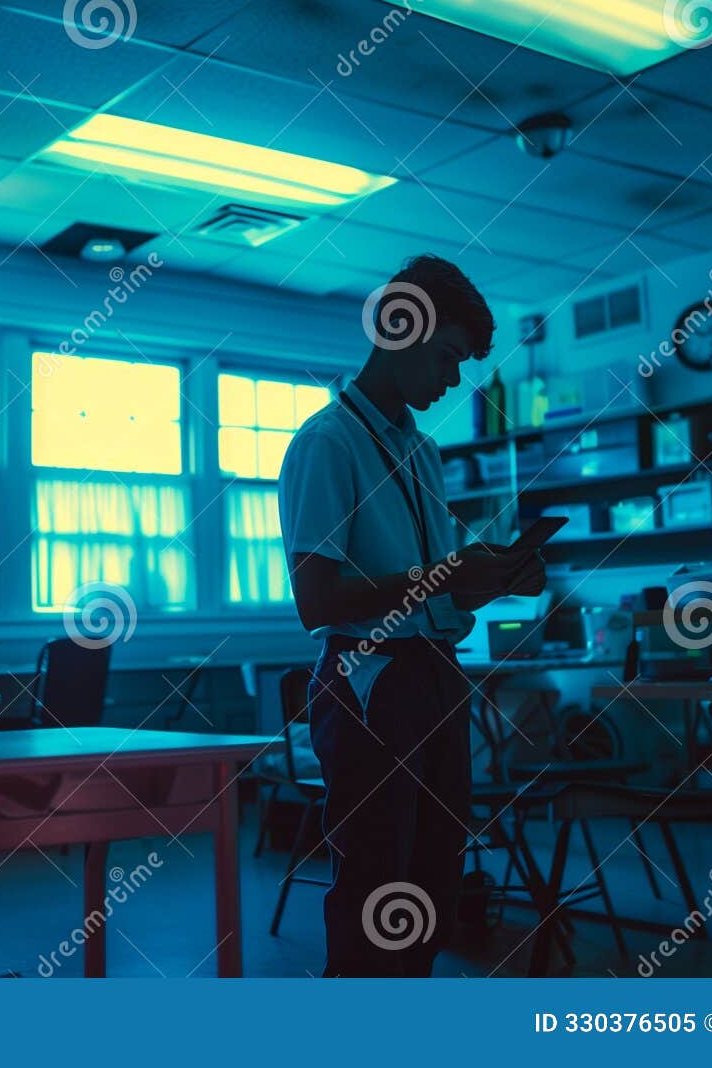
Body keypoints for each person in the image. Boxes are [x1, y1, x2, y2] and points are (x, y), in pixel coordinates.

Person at [278, 254, 545, 976]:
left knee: (432, 882)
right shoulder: (327, 443)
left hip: (435, 676)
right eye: (449, 358)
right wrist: (448, 574)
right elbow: (319, 600)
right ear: (400, 329)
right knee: (378, 887)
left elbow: (433, 591)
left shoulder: (421, 452)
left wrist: (489, 578)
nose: (454, 380)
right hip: (372, 684)